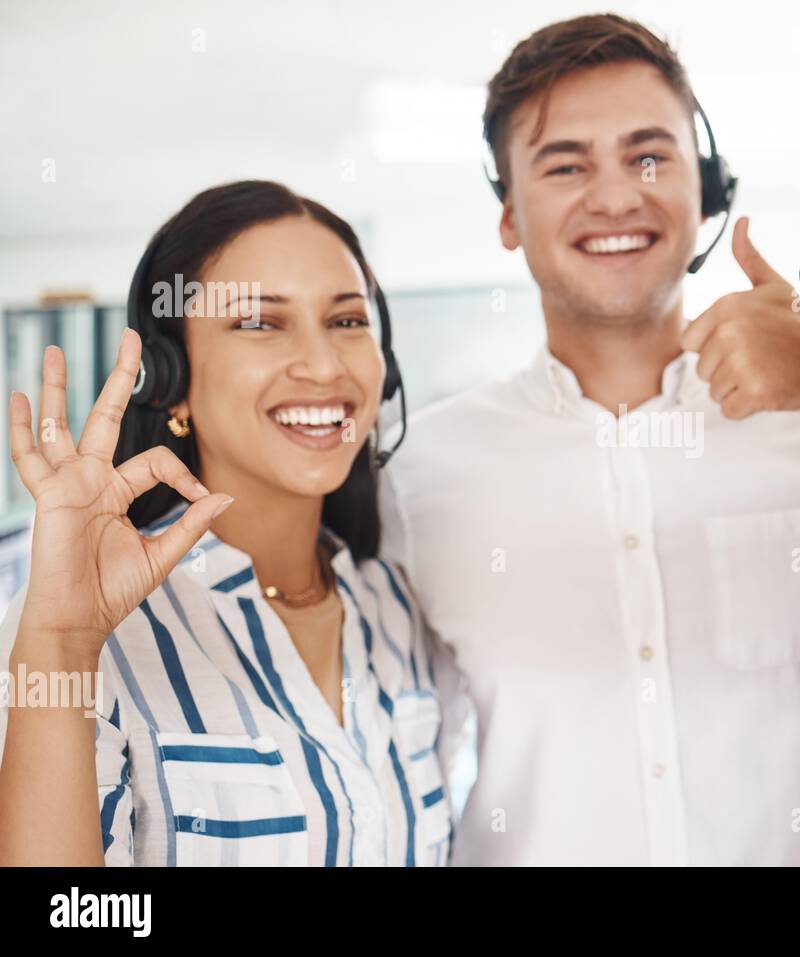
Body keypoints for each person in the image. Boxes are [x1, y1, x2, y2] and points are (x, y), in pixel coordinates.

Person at [379, 14, 800, 865]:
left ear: (707, 189)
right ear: (510, 214)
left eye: (649, 155)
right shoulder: (418, 475)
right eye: (566, 164)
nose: (617, 196)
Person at [0, 181, 471, 866]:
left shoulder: (395, 610)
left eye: (346, 321)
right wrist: (63, 644)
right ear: (172, 378)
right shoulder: (72, 630)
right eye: (259, 322)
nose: (323, 364)